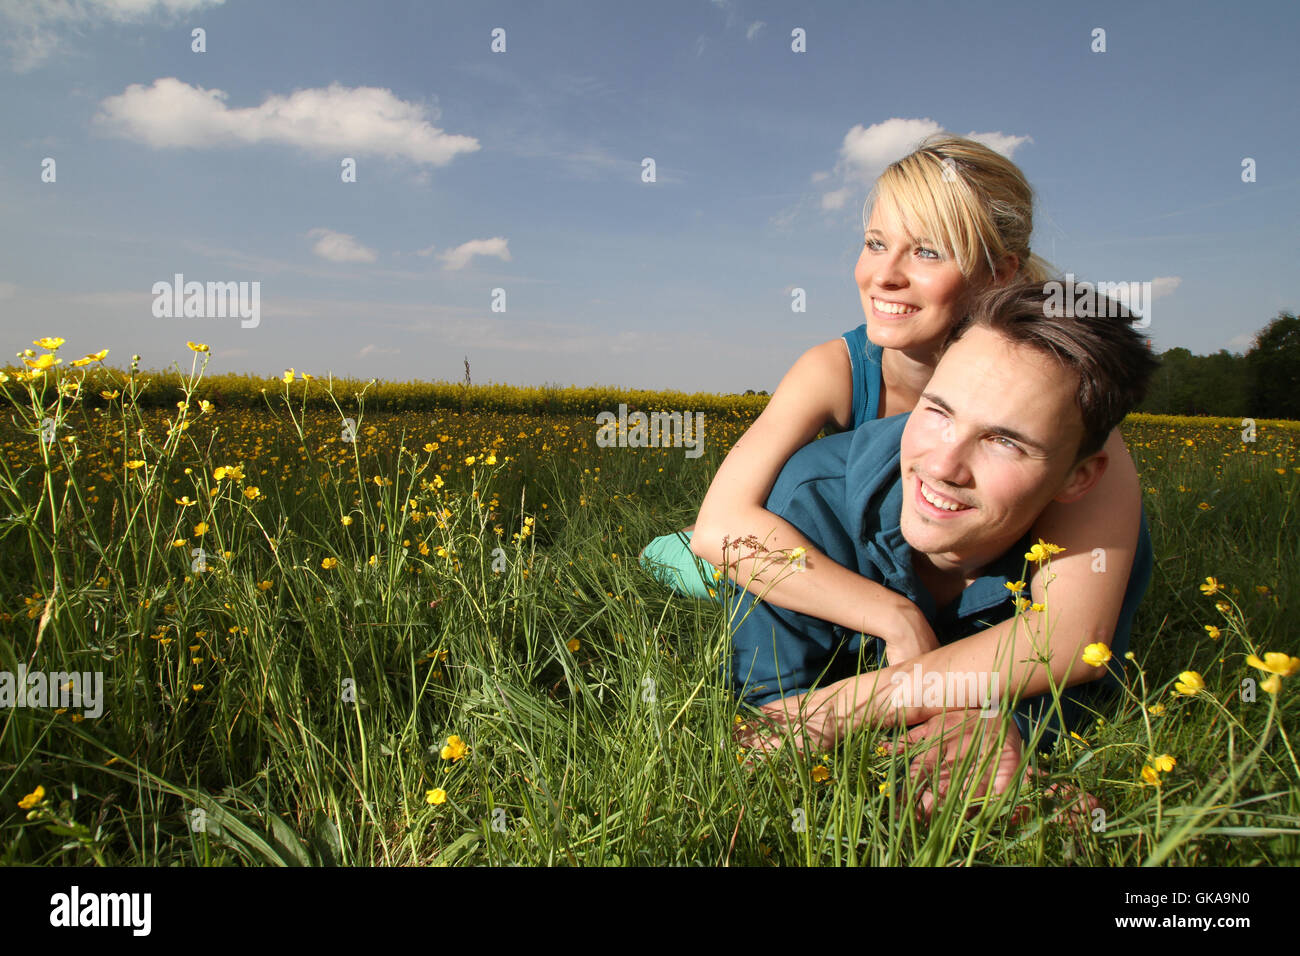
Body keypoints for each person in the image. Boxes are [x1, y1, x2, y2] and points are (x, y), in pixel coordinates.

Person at [640, 135, 1151, 694]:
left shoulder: (1054, 395)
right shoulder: (834, 369)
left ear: (1000, 274)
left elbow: (1073, 633)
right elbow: (722, 528)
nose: (884, 275)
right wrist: (891, 615)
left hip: (948, 564)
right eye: (876, 243)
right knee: (691, 556)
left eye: (928, 252)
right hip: (833, 554)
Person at [722, 280, 1157, 782]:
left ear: (1078, 478)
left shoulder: (1093, 552)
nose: (944, 465)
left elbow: (1082, 678)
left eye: (1004, 442)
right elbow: (775, 720)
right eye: (937, 411)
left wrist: (1001, 726)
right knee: (686, 558)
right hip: (734, 546)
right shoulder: (807, 506)